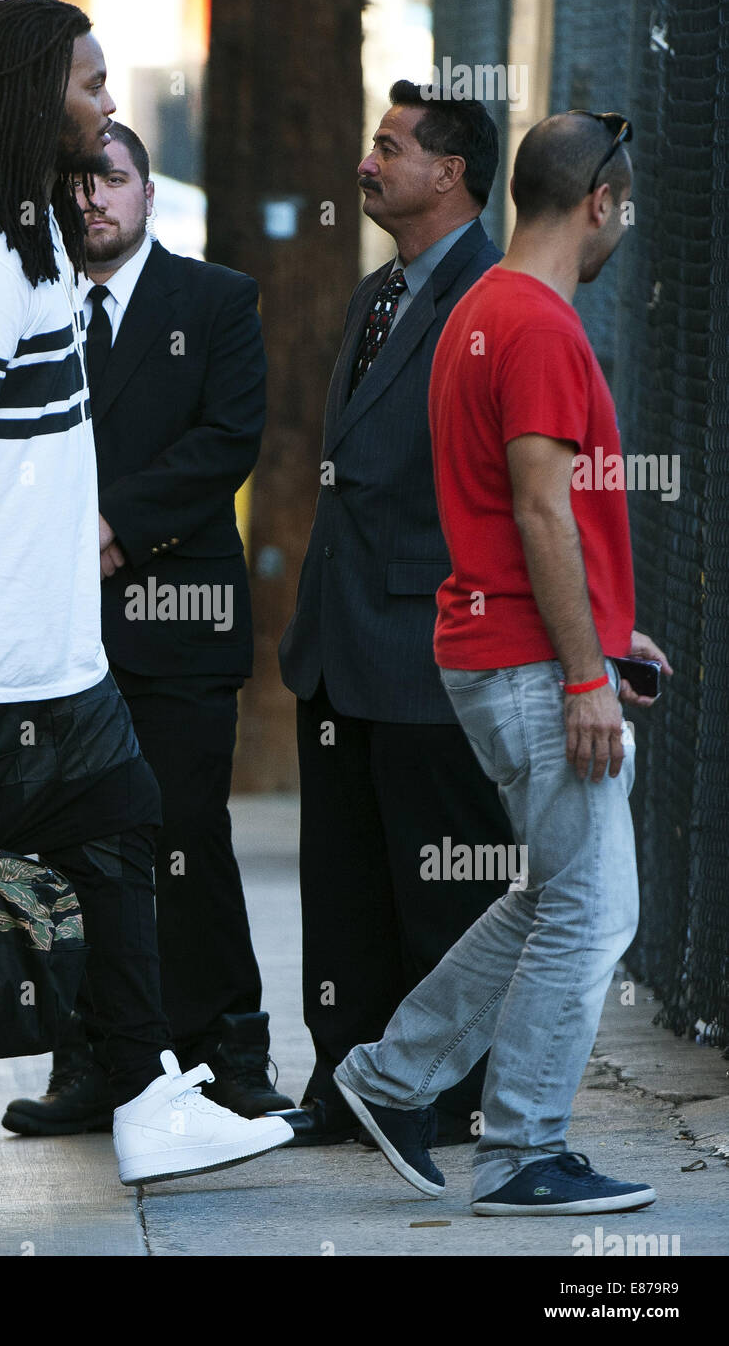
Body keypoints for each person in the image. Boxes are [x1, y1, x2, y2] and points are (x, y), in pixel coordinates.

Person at [0, 0, 291, 1203]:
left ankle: (146, 1100)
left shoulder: (19, 231)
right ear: (41, 96)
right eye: (91, 82)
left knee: (122, 837)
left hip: (48, 657)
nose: (108, 103)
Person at [332, 109, 671, 1215]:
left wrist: (610, 635)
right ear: (600, 204)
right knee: (593, 911)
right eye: (625, 208)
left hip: (506, 648)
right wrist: (584, 676)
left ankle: (391, 1078)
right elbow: (536, 508)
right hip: (531, 666)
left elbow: (518, 509)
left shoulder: (480, 307)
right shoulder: (534, 324)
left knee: (548, 895)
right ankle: (522, 1146)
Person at [2, 123, 292, 1137]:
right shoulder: (27, 307)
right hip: (53, 626)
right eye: (75, 182)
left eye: (110, 180)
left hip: (178, 621)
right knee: (74, 847)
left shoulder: (214, 301)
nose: (92, 199)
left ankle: (227, 1050)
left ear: (148, 192)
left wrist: (113, 524)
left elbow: (228, 438)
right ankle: (93, 1062)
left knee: (183, 833)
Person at [278, 82, 513, 1146]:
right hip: (336, 644)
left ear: (449, 172)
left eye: (389, 146)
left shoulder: (491, 296)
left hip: (427, 647)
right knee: (342, 882)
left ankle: (440, 1092)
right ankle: (346, 1078)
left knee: (439, 880)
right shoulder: (378, 292)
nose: (366, 164)